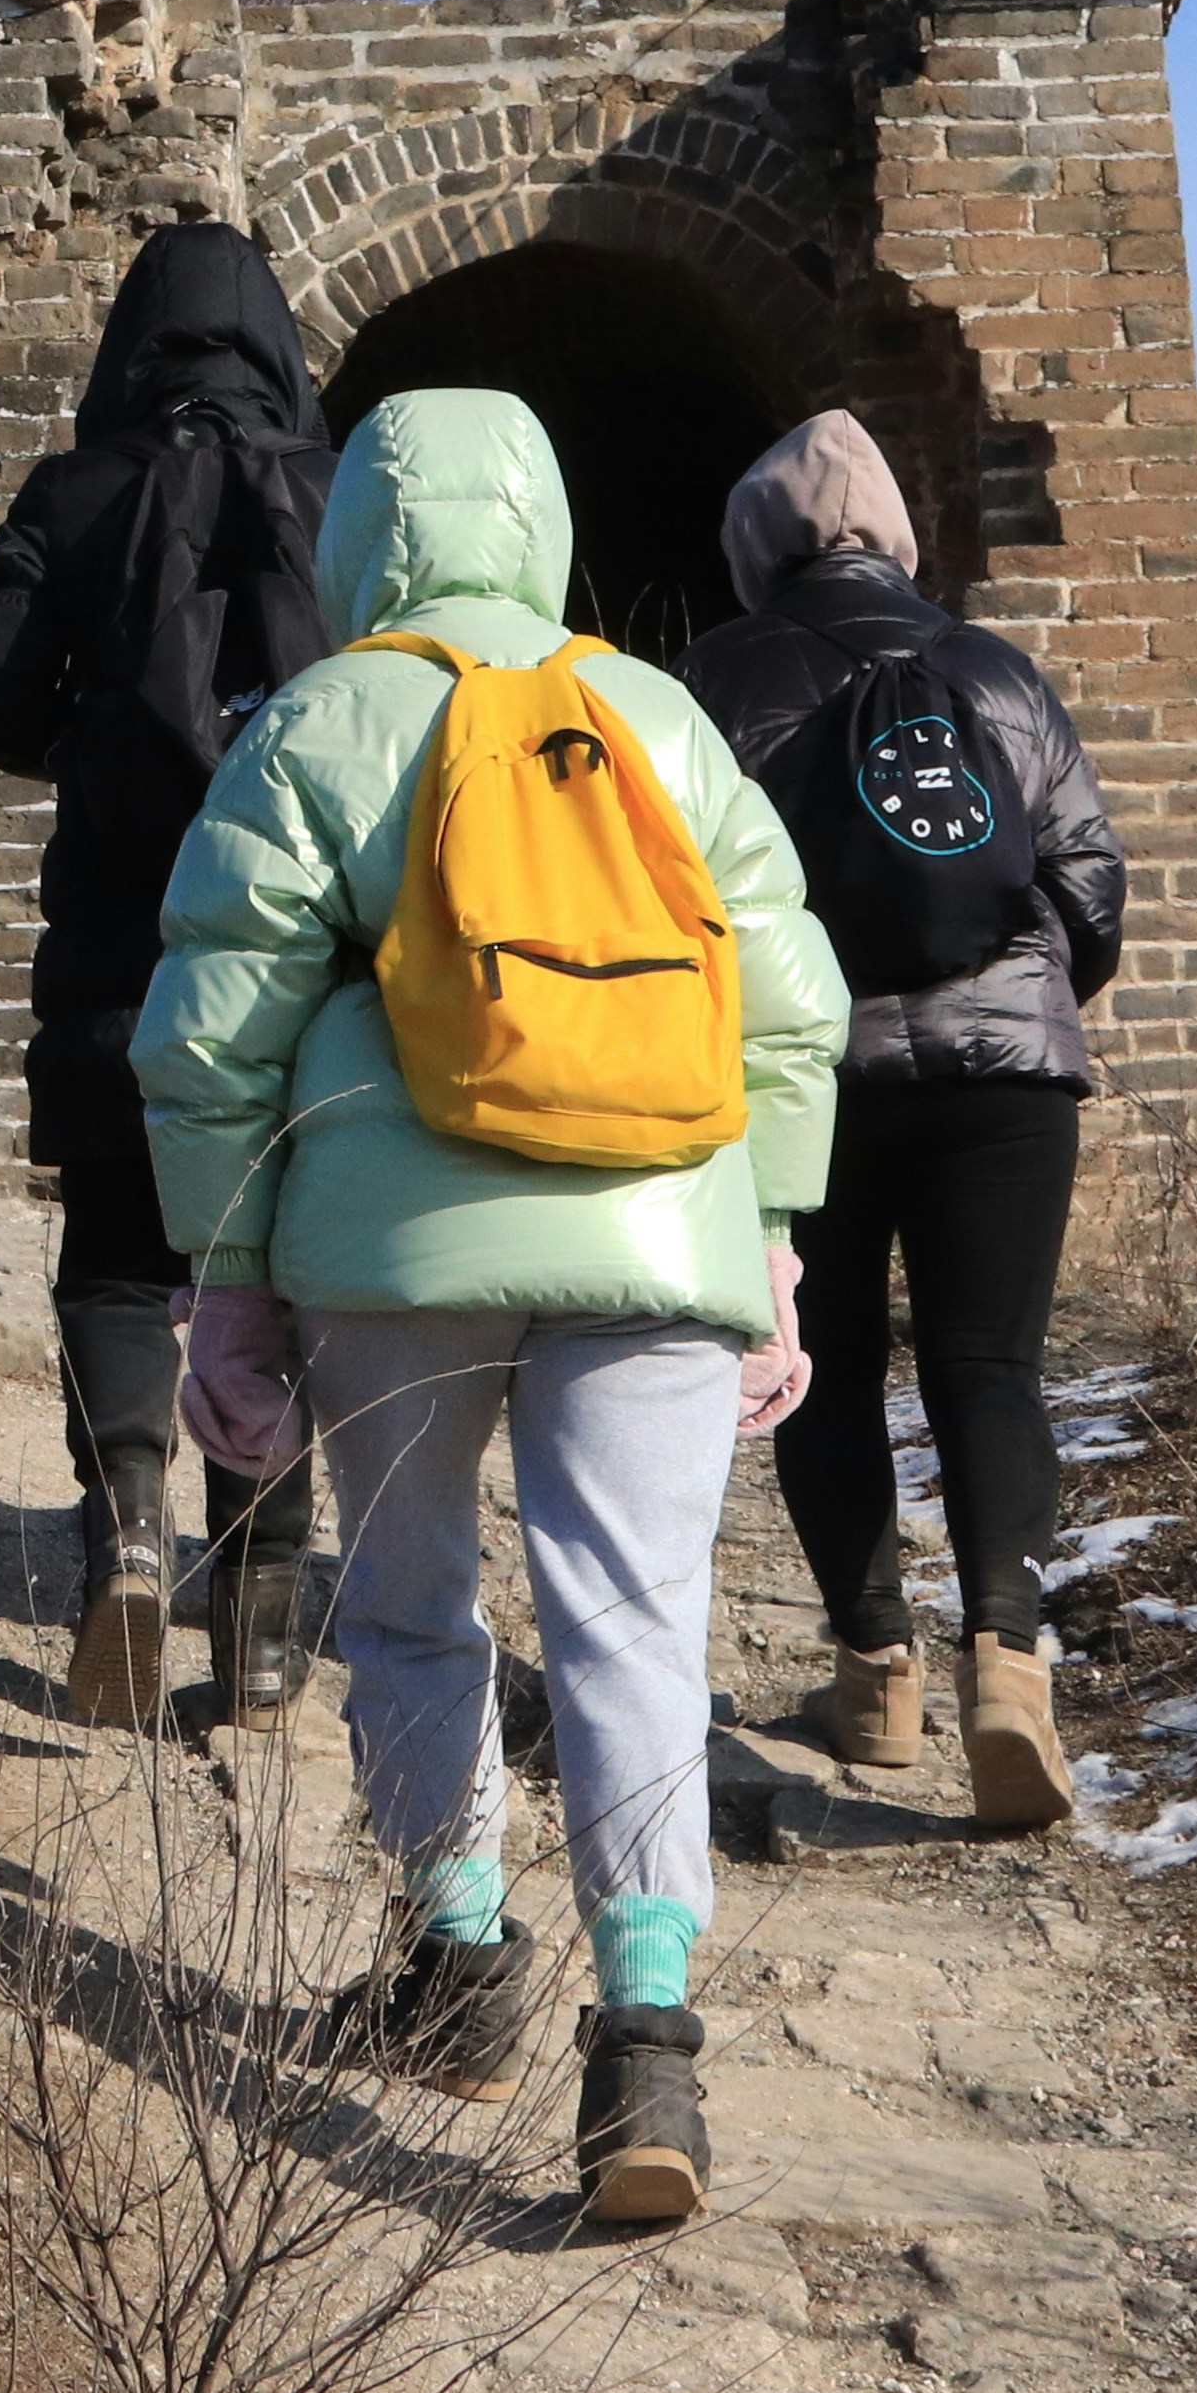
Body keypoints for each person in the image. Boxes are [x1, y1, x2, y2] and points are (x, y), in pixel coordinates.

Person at [139, 389, 845, 2222]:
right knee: (633, 1625)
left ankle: (453, 1956)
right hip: (657, 1235)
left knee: (409, 1606)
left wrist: (225, 1286)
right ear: (540, 524)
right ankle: (651, 2043)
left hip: (395, 1253)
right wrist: (768, 1233)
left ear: (359, 535)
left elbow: (217, 1028)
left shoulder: (321, 717)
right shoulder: (659, 716)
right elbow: (783, 995)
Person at [673, 409, 1126, 1833]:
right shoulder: (993, 669)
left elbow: (676, 892)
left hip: (813, 1077)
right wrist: (1030, 981)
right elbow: (1091, 876)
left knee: (829, 1367)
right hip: (1009, 1075)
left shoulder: (713, 681)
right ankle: (1010, 1674)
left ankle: (875, 1675)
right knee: (992, 1367)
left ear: (756, 549)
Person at [0, 220, 339, 1731]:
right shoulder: (334, 486)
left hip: (128, 936)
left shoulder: (76, 490)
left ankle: (125, 1529)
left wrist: (95, 745)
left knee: (116, 1247)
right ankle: (257, 1609)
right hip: (304, 959)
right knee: (280, 1274)